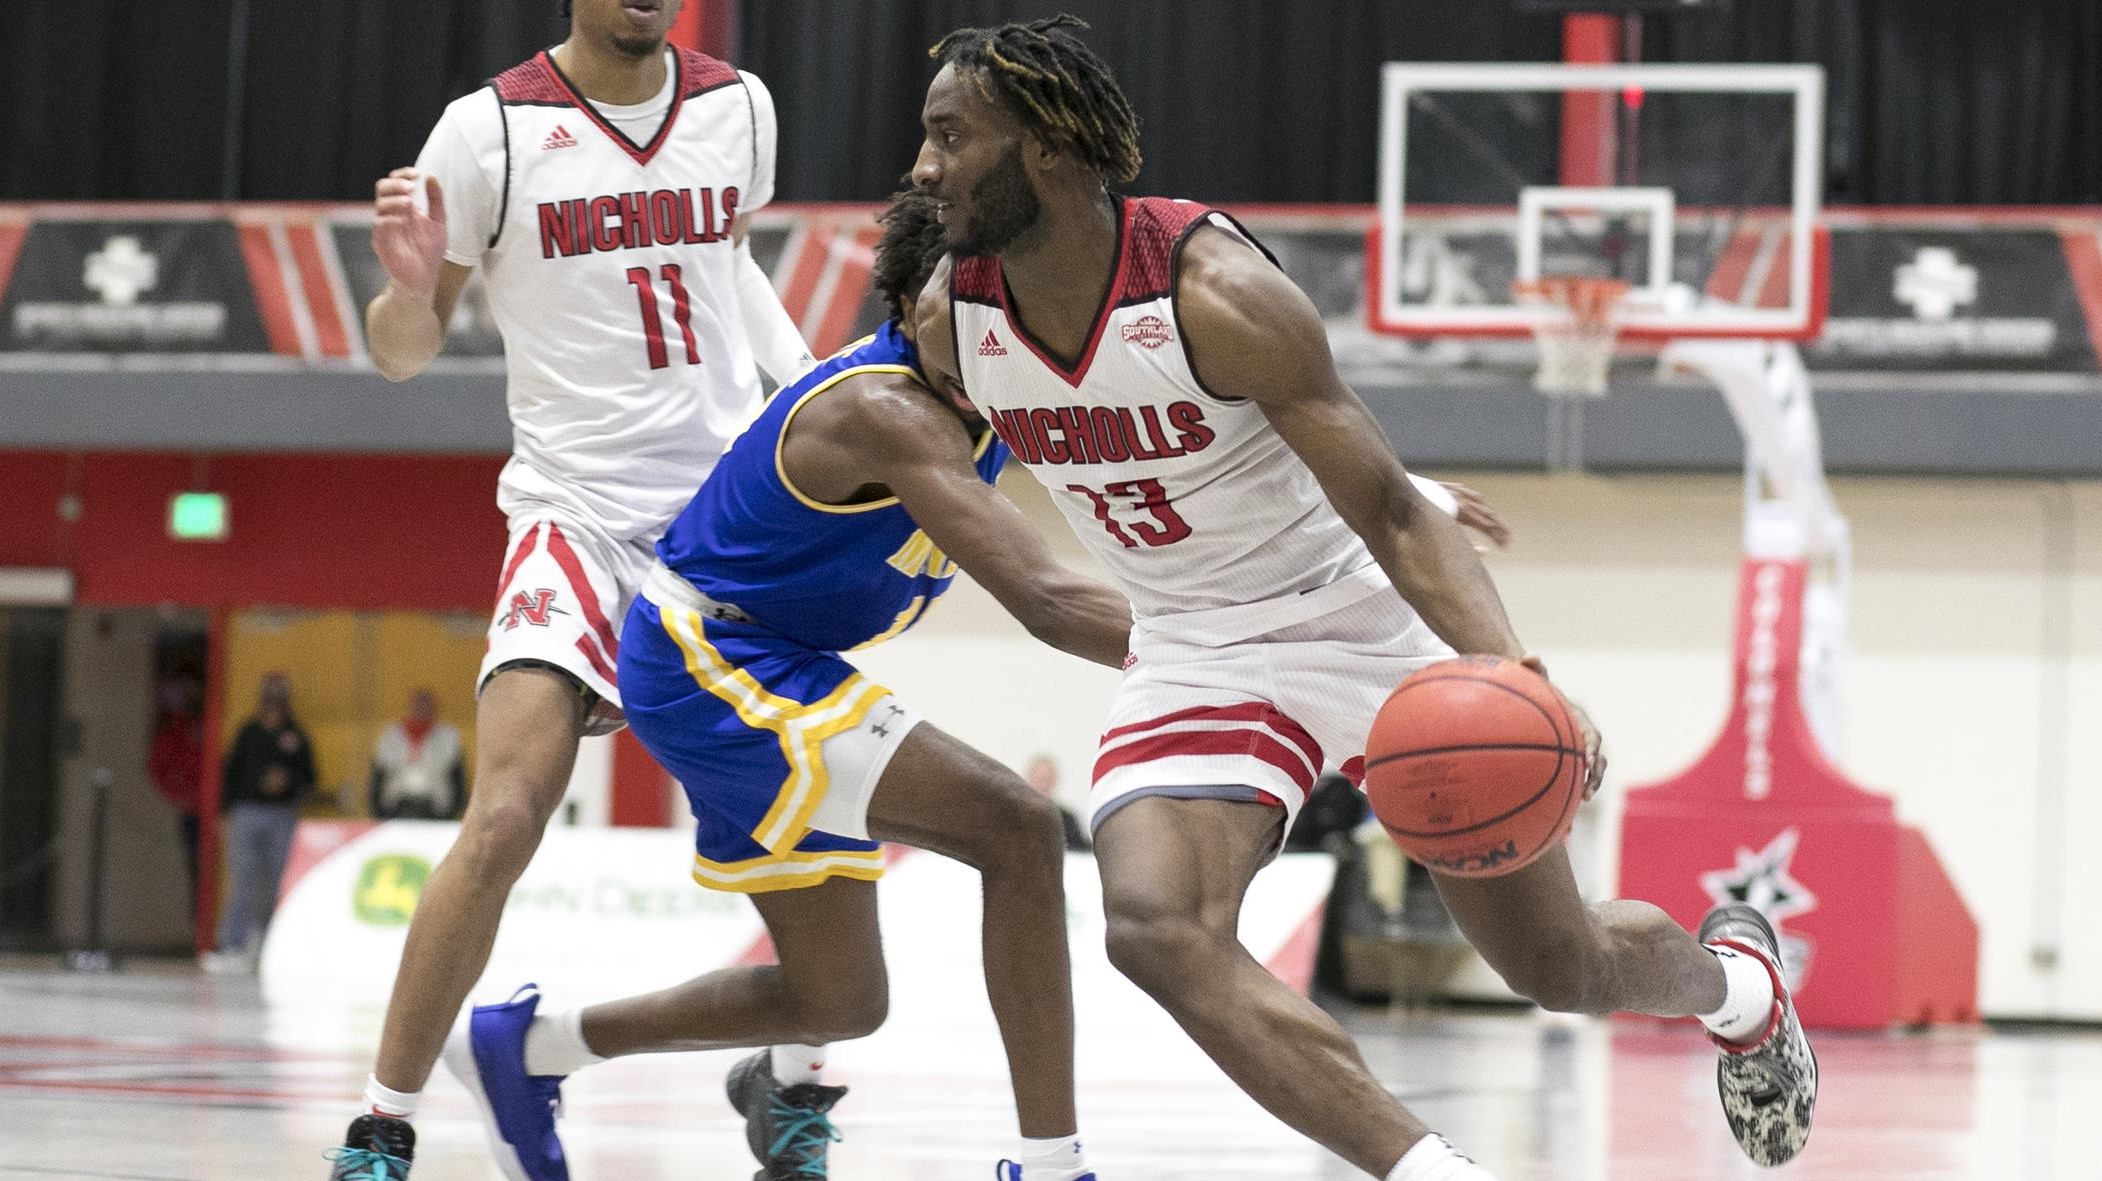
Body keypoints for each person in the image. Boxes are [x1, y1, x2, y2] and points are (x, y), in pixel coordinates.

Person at [909, 16, 1816, 1178]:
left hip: (1358, 611)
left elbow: (1384, 509)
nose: (923, 165)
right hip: (1198, 647)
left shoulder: (1217, 292)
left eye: (949, 134)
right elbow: (897, 455)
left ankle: (1735, 988)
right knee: (1150, 925)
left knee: (1559, 969)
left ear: (1041, 149)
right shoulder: (951, 321)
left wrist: (1515, 672)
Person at [442, 190, 1122, 1181]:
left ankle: (531, 1046)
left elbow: (1180, 452)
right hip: (709, 656)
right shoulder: (885, 408)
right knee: (1016, 829)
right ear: (908, 297)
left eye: (997, 297)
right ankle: (1050, 1164)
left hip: (761, 659)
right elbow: (1050, 602)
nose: (980, 318)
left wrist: (1387, 497)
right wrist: (1224, 657)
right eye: (956, 294)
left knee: (839, 996)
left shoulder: (1001, 392)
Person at [332, 0, 817, 1174]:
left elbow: (731, 264)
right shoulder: (485, 130)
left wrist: (809, 388)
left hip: (725, 516)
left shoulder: (739, 106)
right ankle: (382, 1120)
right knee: (503, 813)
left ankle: (792, 1082)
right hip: (575, 514)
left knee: (805, 821)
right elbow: (399, 354)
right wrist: (402, 291)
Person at [207, 672, 316, 973]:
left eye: (279, 697)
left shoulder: (295, 736)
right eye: (269, 696)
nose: (273, 703)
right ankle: (233, 944)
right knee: (242, 878)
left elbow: (309, 778)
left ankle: (271, 944)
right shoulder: (249, 733)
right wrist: (223, 812)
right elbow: (231, 773)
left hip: (282, 814)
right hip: (247, 811)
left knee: (278, 881)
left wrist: (286, 781)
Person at [147, 674, 206, 908]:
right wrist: (179, 794)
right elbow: (157, 768)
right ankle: (198, 920)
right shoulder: (175, 728)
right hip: (192, 811)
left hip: (220, 810)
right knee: (195, 868)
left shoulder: (215, 723)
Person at [368, 689, 465, 821]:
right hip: (395, 808)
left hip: (436, 810)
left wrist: (452, 813)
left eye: (427, 705)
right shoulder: (390, 737)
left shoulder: (449, 737)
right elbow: (377, 778)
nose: (423, 708)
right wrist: (378, 815)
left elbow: (458, 779)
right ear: (410, 706)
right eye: (419, 704)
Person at [1023, 754, 1091, 851]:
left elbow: (1080, 850)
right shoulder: (1016, 816)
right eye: (1039, 779)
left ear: (1054, 781)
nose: (1042, 785)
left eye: (1046, 779)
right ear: (1029, 779)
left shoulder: (1067, 819)